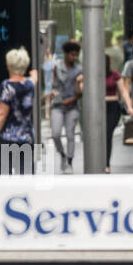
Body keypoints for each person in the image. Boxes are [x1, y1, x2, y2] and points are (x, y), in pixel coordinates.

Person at [0, 47, 36, 174]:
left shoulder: (7, 86)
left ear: (9, 65)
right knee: (26, 174)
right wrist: (34, 74)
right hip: (26, 137)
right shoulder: (29, 85)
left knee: (4, 175)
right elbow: (34, 79)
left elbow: (2, 114)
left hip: (8, 138)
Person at [44, 39, 81, 172]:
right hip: (58, 105)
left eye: (76, 55)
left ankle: (69, 162)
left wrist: (77, 87)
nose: (74, 57)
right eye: (72, 54)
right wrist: (51, 92)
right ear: (65, 54)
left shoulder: (79, 70)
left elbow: (80, 93)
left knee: (71, 134)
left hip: (72, 106)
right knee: (55, 133)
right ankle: (62, 155)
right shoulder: (56, 67)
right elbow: (51, 84)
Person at [103, 54, 124, 173]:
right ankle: (101, 160)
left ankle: (106, 163)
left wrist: (129, 106)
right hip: (98, 109)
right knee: (100, 135)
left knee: (107, 134)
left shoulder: (114, 74)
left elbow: (123, 91)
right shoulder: (93, 75)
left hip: (113, 108)